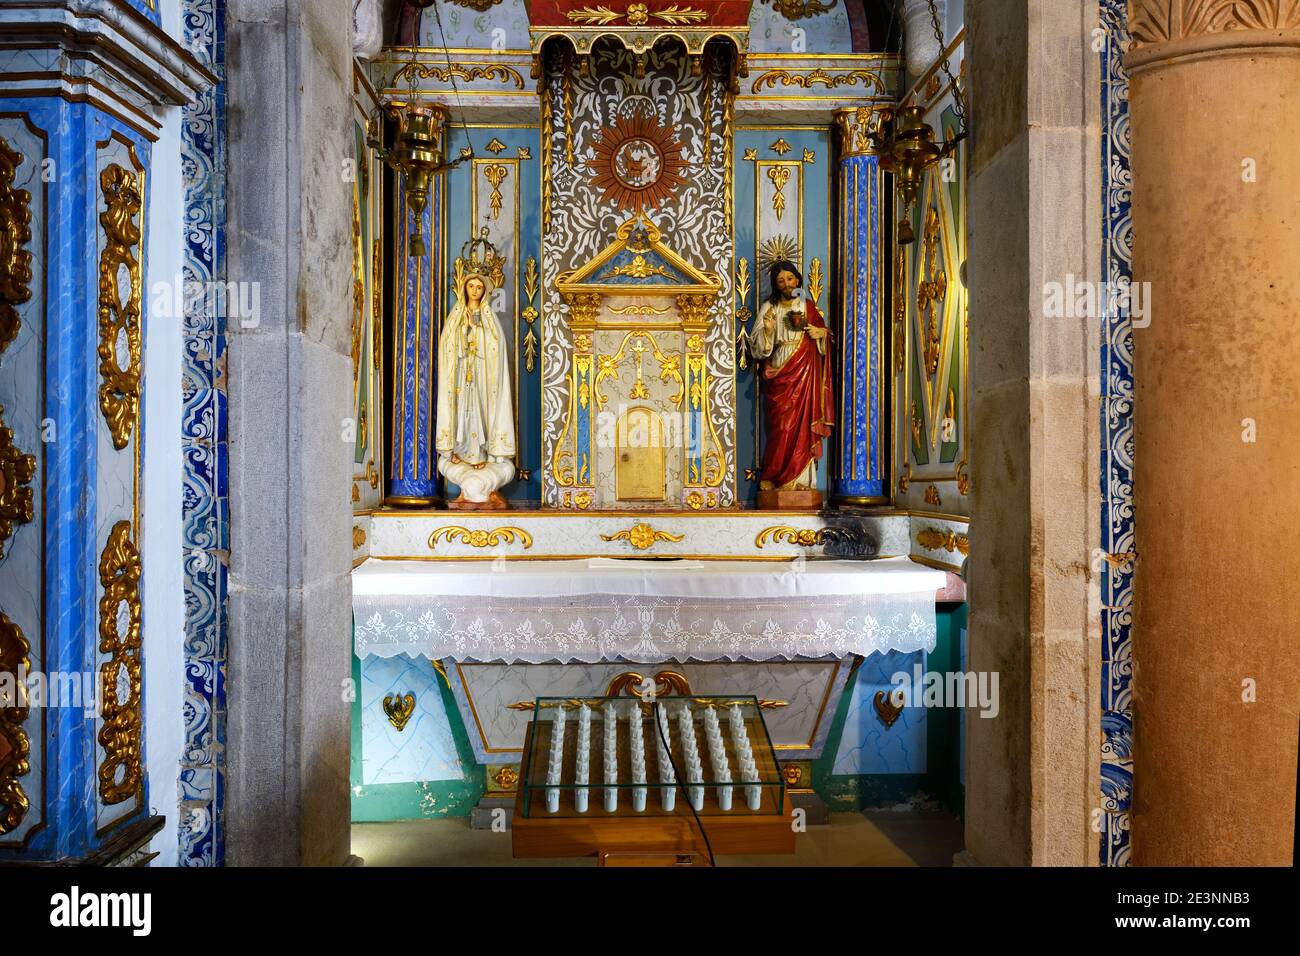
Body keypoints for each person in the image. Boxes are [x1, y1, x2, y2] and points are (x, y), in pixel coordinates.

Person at [751, 260, 834, 500]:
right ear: (775, 285)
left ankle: (802, 481)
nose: (786, 284)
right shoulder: (770, 307)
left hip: (805, 372)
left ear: (797, 280)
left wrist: (822, 334)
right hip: (780, 371)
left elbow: (825, 335)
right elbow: (758, 349)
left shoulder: (807, 306)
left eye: (789, 279)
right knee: (781, 429)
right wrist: (767, 330)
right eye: (780, 281)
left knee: (802, 427)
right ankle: (775, 476)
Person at [434, 271, 516, 507]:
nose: (475, 290)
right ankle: (462, 451)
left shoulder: (489, 318)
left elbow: (495, 348)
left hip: (482, 379)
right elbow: (448, 345)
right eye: (471, 286)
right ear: (464, 288)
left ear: (485, 292)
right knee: (462, 414)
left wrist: (477, 329)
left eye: (480, 287)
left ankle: (483, 452)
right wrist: (463, 331)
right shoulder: (456, 317)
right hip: (461, 378)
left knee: (482, 413)